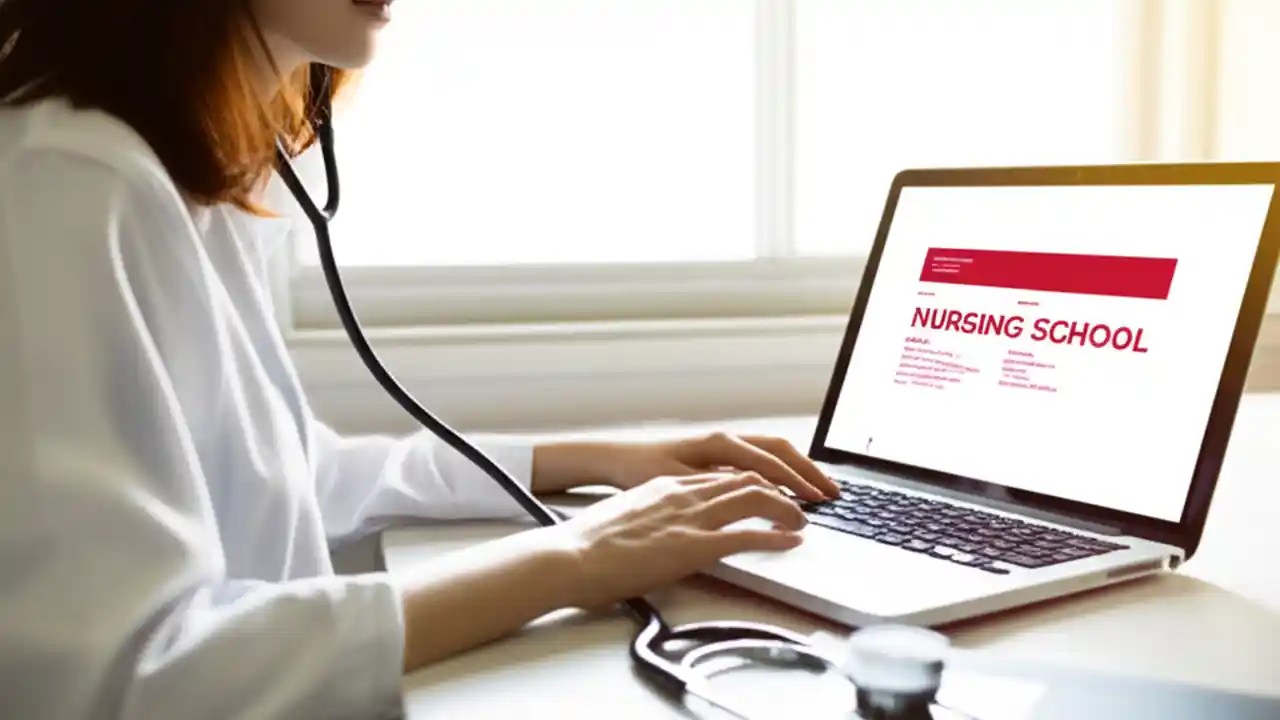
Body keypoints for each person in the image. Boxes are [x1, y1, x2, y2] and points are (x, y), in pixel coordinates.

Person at [0, 1, 840, 716]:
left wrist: (598, 458)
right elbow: (121, 676)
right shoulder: (69, 184)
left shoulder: (180, 176)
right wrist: (569, 560)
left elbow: (286, 477)